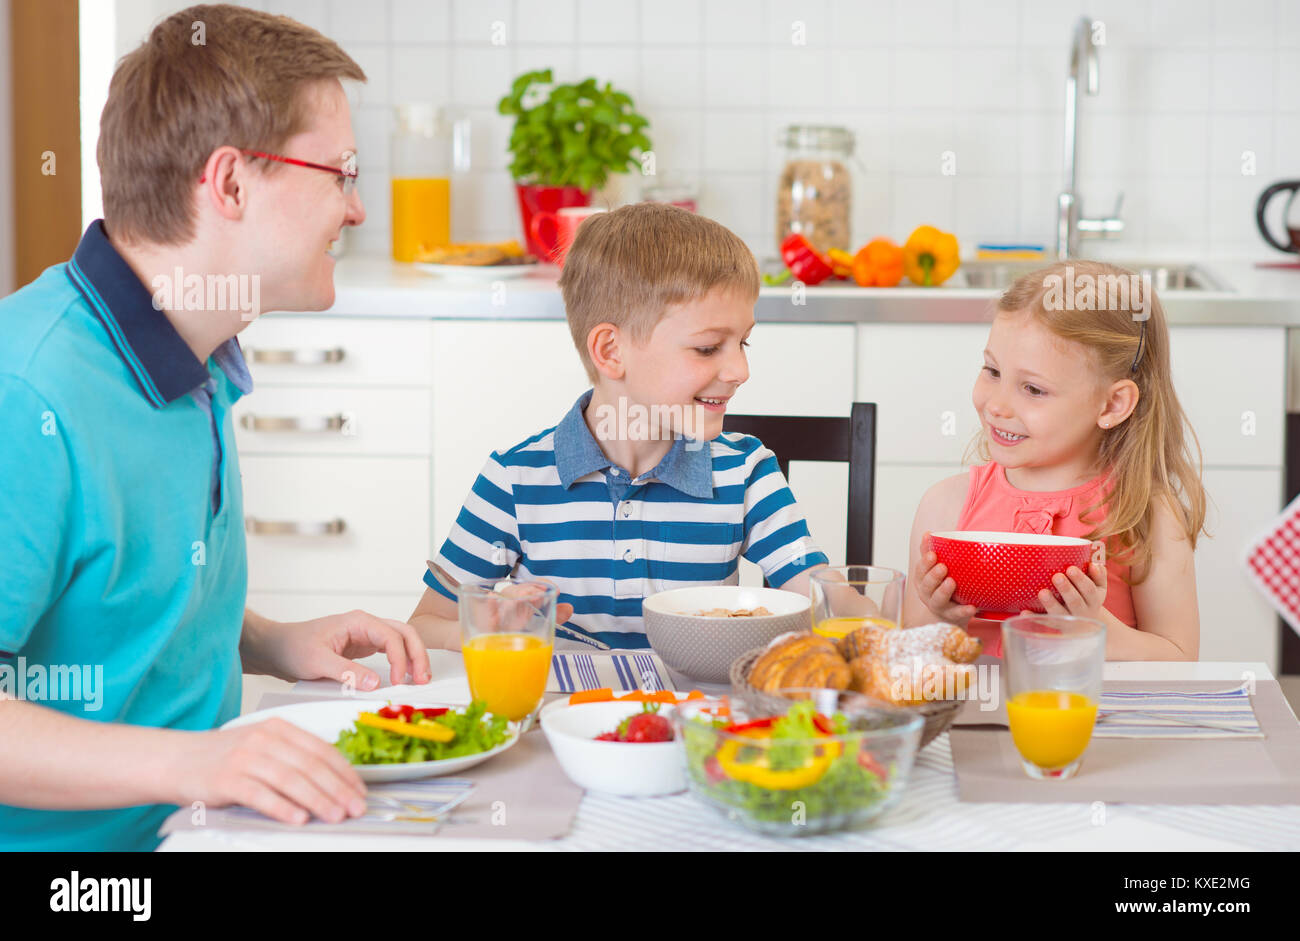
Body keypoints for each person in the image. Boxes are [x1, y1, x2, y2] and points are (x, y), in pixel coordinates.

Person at [0, 5, 430, 851]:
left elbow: (99, 592)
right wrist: (197, 765)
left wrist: (268, 640)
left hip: (204, 829)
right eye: (340, 174)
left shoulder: (195, 350)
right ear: (230, 183)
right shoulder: (30, 393)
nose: (358, 211)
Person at [409, 202, 829, 650]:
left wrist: (907, 603)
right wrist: (493, 630)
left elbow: (827, 609)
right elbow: (426, 625)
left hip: (695, 719)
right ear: (611, 351)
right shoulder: (515, 480)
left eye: (742, 342)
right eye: (709, 348)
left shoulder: (745, 474)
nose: (740, 370)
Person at [903, 259, 1207, 660]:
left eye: (1033, 388)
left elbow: (1180, 658)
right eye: (992, 370)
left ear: (1113, 403)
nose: (996, 405)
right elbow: (909, 648)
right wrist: (942, 617)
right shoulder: (945, 506)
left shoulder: (1144, 517)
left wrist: (1098, 630)